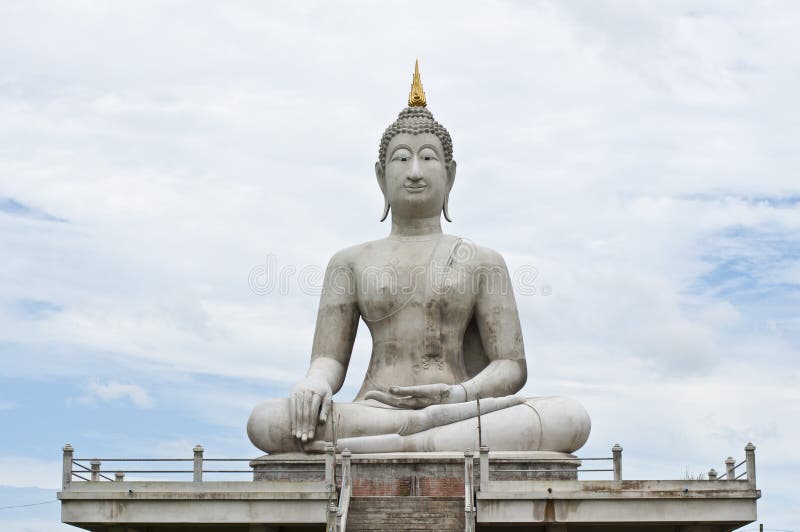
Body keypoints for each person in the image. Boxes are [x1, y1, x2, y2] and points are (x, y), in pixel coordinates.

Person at [247, 62, 590, 454]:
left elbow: (510, 366)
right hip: (375, 410)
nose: (414, 172)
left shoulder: (483, 261)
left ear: (450, 175)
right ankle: (417, 437)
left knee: (569, 416)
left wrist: (456, 396)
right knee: (267, 421)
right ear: (380, 176)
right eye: (400, 159)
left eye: (427, 158)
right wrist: (313, 384)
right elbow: (329, 360)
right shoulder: (349, 262)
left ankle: (405, 439)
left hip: (459, 410)